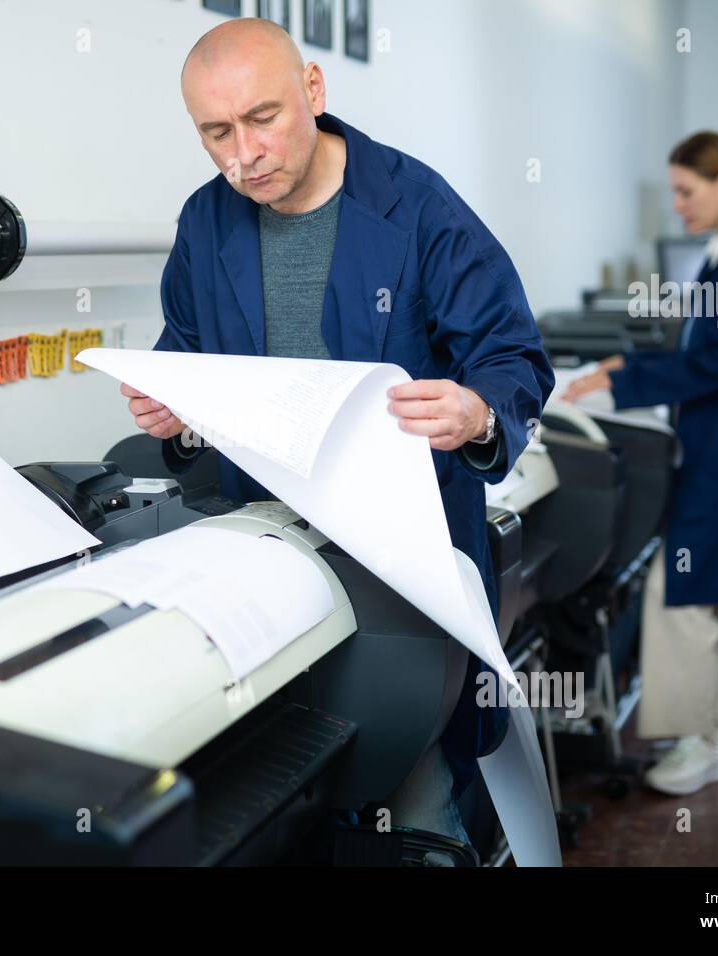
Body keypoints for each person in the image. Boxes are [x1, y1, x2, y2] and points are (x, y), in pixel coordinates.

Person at [123, 18, 553, 852]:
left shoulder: (417, 206)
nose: (242, 155)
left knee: (417, 799)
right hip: (274, 559)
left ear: (314, 93)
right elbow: (188, 354)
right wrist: (171, 411)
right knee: (290, 800)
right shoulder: (205, 222)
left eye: (262, 119)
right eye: (216, 133)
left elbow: (512, 358)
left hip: (406, 559)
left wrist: (476, 413)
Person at [562, 131, 718, 796]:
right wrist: (628, 365)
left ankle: (695, 741)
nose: (677, 205)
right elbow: (717, 349)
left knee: (678, 590)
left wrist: (626, 384)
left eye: (686, 190)